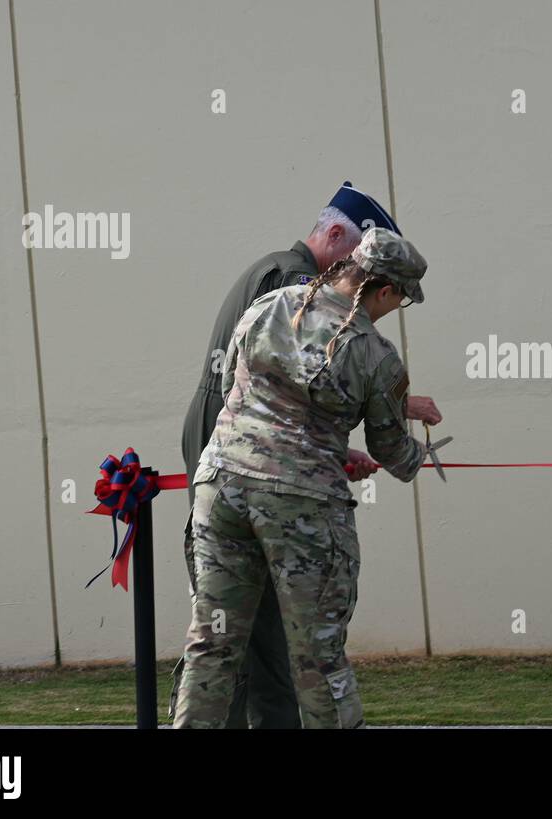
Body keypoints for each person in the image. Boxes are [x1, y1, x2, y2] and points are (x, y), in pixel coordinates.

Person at [172, 181, 439, 728]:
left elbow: (242, 387)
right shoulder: (375, 352)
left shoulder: (272, 305)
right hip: (300, 508)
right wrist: (419, 458)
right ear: (384, 290)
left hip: (220, 488)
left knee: (212, 648)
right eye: (401, 300)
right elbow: (392, 450)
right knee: (318, 660)